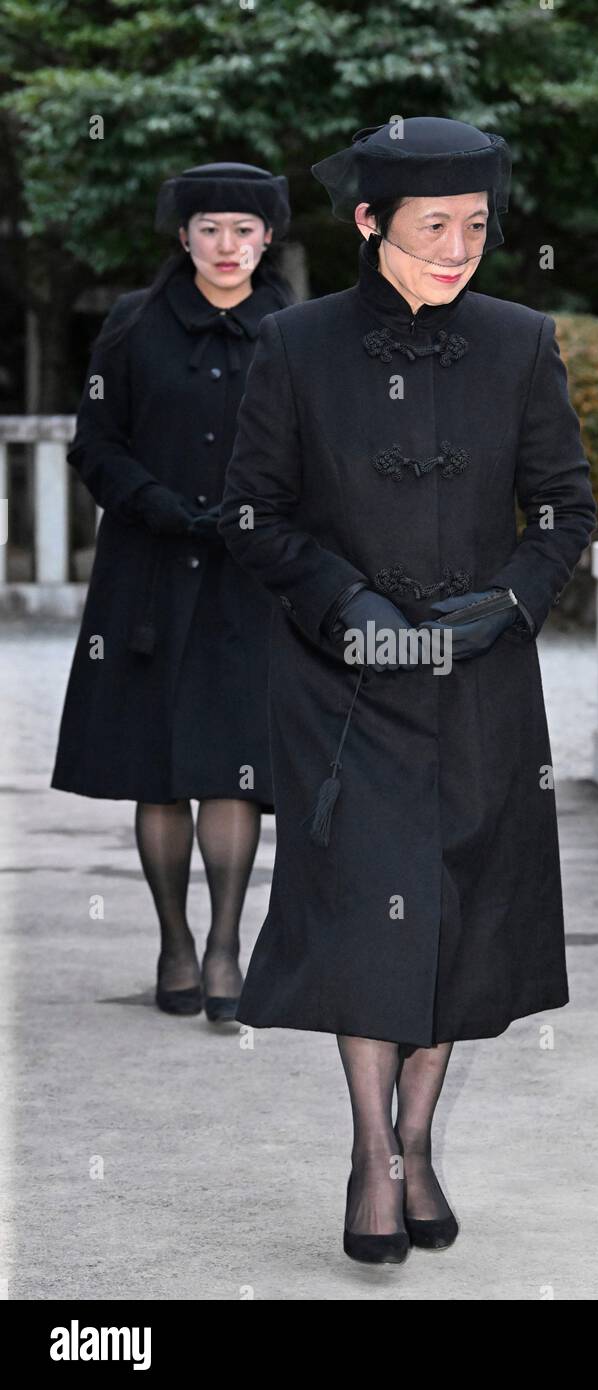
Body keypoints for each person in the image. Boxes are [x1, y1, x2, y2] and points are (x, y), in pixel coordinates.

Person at [219, 118, 598, 1262]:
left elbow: (566, 510)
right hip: (343, 691)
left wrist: (506, 602)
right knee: (369, 921)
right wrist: (347, 603)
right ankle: (370, 1154)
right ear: (370, 222)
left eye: (477, 227)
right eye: (435, 226)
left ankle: (419, 1140)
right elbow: (254, 514)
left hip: (480, 689)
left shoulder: (522, 341)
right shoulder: (294, 346)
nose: (459, 247)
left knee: (462, 921)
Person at [51, 162, 294, 1023]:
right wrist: (154, 502)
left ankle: (226, 947)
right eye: (209, 230)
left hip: (249, 578)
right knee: (160, 771)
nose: (226, 247)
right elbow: (94, 442)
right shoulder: (131, 326)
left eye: (243, 230)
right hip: (146, 575)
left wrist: (259, 518)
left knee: (234, 766)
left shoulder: (294, 330)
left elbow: (319, 449)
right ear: (183, 236)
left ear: (268, 240)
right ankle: (173, 941)